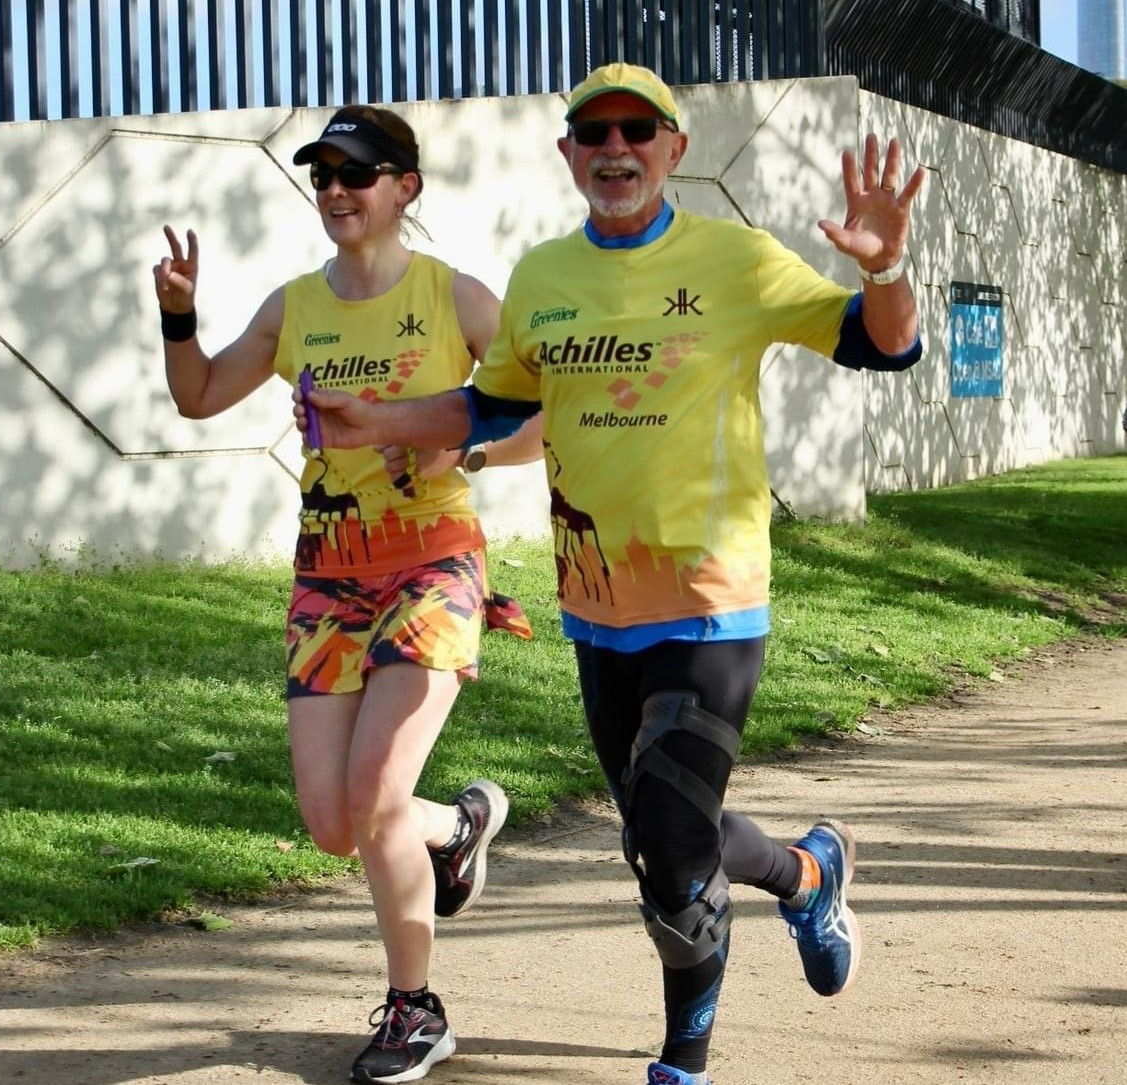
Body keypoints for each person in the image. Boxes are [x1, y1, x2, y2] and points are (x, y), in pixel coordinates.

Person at [296, 63, 925, 1085]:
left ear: (673, 149)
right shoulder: (544, 276)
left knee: (670, 845)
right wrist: (380, 420)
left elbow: (879, 344)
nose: (615, 147)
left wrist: (886, 268)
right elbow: (491, 406)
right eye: (593, 132)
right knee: (664, 831)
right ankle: (808, 874)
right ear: (568, 154)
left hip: (711, 604)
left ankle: (683, 1062)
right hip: (597, 614)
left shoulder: (733, 259)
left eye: (637, 129)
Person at [153, 104, 543, 1084]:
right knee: (334, 826)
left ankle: (416, 1008)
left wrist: (463, 447)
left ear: (404, 187)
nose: (334, 190)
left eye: (355, 173)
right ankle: (455, 828)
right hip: (327, 576)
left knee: (373, 797)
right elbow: (198, 395)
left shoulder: (455, 298)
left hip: (432, 564)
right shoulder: (293, 307)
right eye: (321, 174)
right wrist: (178, 316)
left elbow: (544, 413)